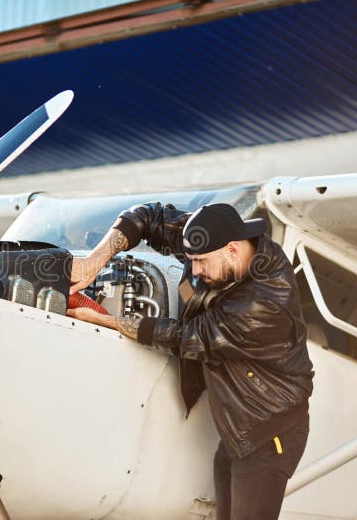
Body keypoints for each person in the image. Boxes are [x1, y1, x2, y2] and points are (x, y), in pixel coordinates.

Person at [68, 202, 314, 520]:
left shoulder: (266, 301)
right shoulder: (209, 240)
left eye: (201, 262)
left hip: (269, 433)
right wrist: (93, 262)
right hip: (239, 429)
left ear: (233, 249)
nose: (194, 270)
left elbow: (190, 337)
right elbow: (148, 217)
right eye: (191, 259)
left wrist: (109, 321)